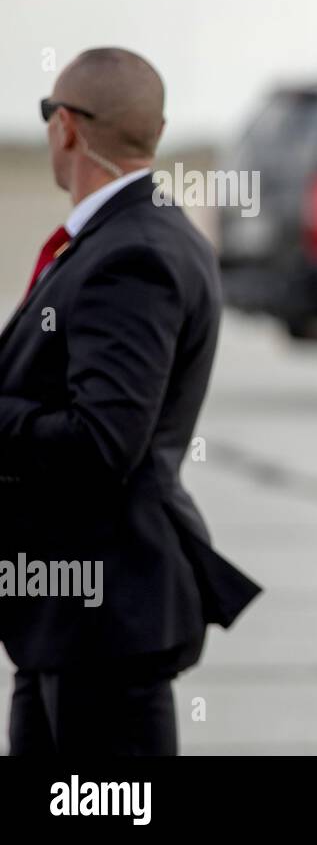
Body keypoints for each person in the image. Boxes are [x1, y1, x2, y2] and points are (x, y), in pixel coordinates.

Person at [0, 47, 261, 755]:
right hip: (67, 617)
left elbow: (101, 441)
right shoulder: (129, 238)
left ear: (67, 129)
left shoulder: (132, 255)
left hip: (106, 619)